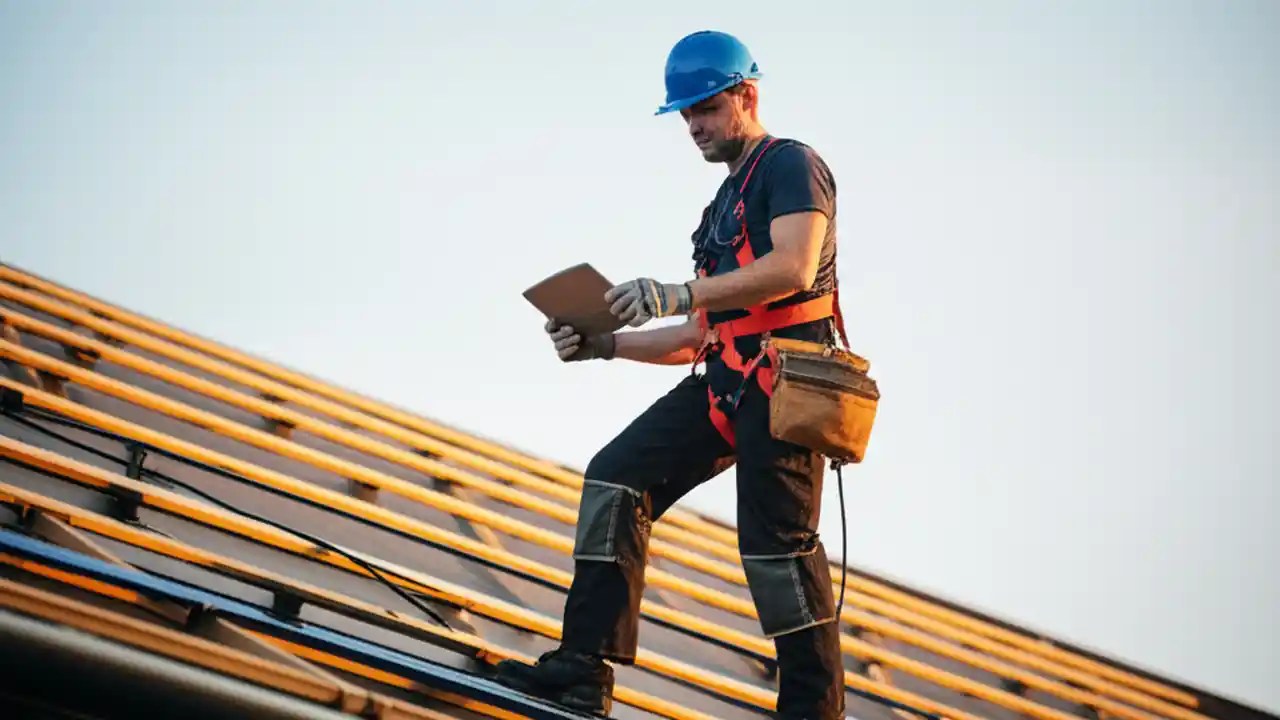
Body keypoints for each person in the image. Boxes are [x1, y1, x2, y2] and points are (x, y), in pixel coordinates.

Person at [494, 29, 848, 719]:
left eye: (707, 109)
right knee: (616, 477)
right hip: (725, 383)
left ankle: (813, 711)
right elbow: (697, 337)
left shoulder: (791, 165)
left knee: (776, 551)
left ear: (747, 95)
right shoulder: (719, 208)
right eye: (686, 115)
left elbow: (794, 268)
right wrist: (607, 345)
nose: (694, 126)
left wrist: (679, 291)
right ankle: (583, 667)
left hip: (785, 387)